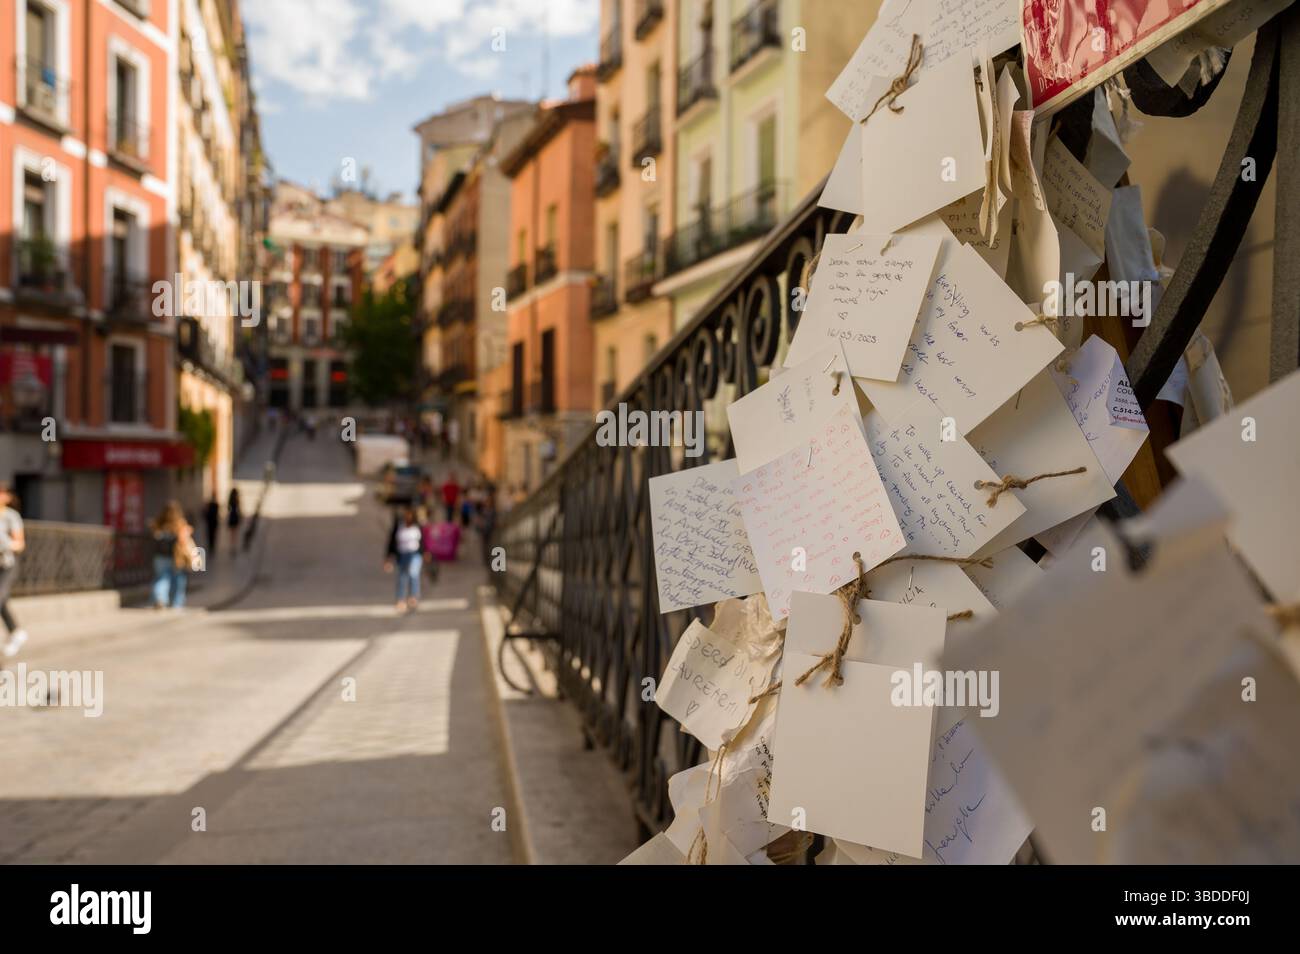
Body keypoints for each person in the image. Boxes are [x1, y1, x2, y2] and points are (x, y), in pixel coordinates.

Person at [0, 482, 30, 657]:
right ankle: (16, 632)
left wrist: (6, 544)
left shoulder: (11, 516)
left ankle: (16, 633)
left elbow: (20, 544)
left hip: (7, 564)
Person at [150, 502, 195, 609]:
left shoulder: (159, 523)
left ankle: (160, 598)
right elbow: (184, 540)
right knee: (179, 579)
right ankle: (177, 602)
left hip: (160, 556)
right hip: (176, 557)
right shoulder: (180, 524)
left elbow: (154, 535)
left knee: (161, 578)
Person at [385, 508, 424, 613]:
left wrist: (425, 553)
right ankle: (400, 599)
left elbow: (423, 541)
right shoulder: (399, 526)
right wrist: (388, 558)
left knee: (413, 574)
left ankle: (413, 597)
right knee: (402, 576)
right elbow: (391, 543)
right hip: (402, 554)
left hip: (415, 554)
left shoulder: (417, 527)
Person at [227, 488, 243, 554]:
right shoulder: (237, 499)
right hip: (235, 516)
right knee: (235, 533)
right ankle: (234, 547)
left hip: (231, 516)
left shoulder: (230, 499)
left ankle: (232, 546)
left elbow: (228, 508)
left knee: (232, 534)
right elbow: (239, 509)